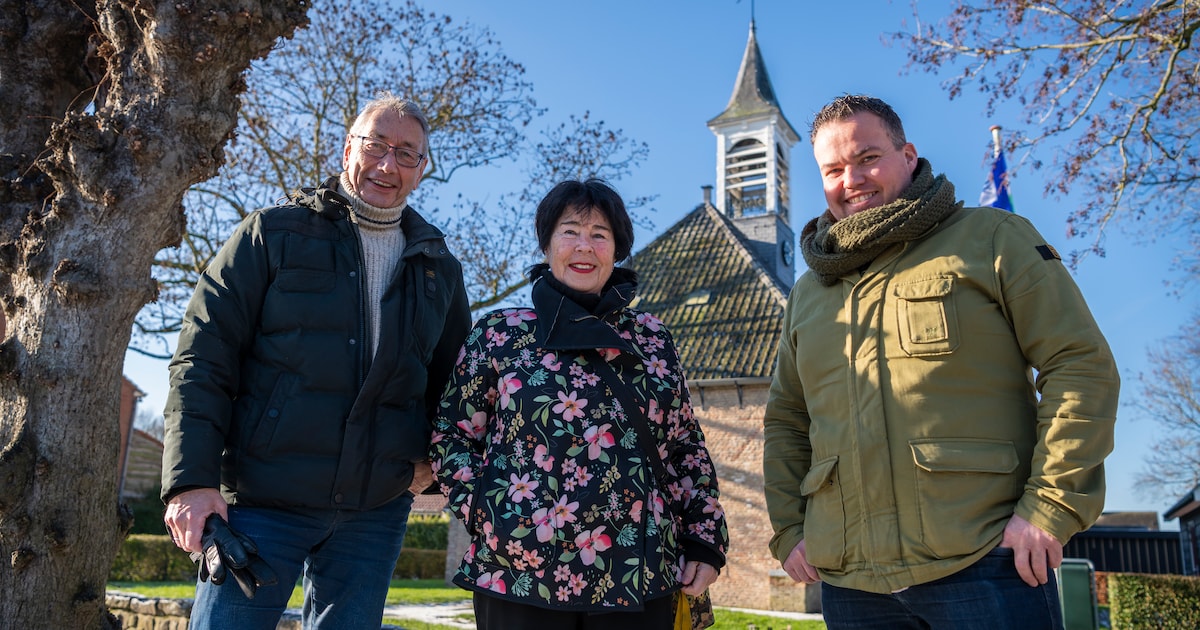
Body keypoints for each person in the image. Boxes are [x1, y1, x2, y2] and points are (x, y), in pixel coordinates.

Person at [763, 95, 1119, 629]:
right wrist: (790, 530)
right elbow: (787, 419)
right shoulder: (810, 292)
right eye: (833, 169)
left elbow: (1080, 366)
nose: (851, 179)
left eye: (867, 158)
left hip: (987, 564)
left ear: (908, 155)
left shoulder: (994, 238)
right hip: (851, 584)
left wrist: (1048, 509)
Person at [160, 91, 471, 629]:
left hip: (374, 511)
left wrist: (434, 468)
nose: (386, 164)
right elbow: (202, 358)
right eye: (376, 145)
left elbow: (456, 386)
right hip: (261, 500)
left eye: (406, 154)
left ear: (422, 170)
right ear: (348, 148)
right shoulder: (272, 233)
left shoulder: (438, 268)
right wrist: (191, 481)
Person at [430, 179, 729, 629]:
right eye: (570, 231)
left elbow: (685, 447)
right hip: (517, 571)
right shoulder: (500, 333)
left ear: (617, 250)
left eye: (600, 235)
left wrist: (705, 540)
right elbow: (451, 435)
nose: (584, 246)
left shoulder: (651, 338)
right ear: (547, 245)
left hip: (637, 570)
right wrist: (488, 512)